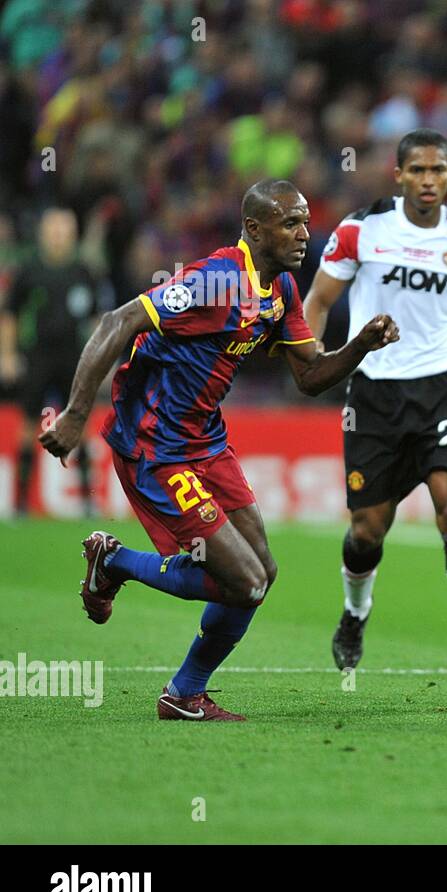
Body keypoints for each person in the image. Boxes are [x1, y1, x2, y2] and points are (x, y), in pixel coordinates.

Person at [39, 179, 399, 721]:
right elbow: (118, 321)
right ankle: (115, 564)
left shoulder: (280, 291)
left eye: (305, 222)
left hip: (206, 442)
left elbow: (310, 377)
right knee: (245, 582)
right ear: (254, 229)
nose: (305, 234)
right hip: (155, 446)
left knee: (262, 573)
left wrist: (361, 346)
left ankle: (184, 695)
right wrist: (74, 413)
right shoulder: (215, 281)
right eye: (291, 224)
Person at [305, 129, 447, 680]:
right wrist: (309, 363)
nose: (428, 180)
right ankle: (356, 613)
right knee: (366, 530)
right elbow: (318, 301)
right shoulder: (362, 230)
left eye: (438, 171)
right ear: (399, 174)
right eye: (418, 170)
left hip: (442, 390)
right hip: (374, 392)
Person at [1, 207, 108, 515]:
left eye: (65, 229)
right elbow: (9, 314)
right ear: (43, 233)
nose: (59, 235)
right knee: (28, 424)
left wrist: (102, 359)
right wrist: (7, 355)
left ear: (72, 234)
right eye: (54, 229)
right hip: (36, 357)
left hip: (74, 358)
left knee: (79, 424)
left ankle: (88, 504)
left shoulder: (84, 271)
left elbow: (101, 320)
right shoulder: (28, 270)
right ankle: (20, 504)